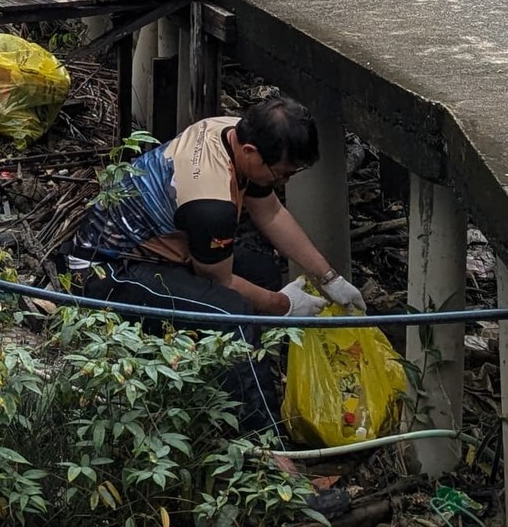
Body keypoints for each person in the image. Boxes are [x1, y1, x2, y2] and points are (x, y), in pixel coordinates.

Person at [65, 95, 363, 426]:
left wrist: (329, 278)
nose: (284, 181)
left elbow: (272, 212)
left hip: (166, 248)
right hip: (109, 271)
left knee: (263, 273)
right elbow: (221, 281)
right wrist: (285, 306)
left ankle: (252, 380)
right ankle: (260, 439)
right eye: (281, 174)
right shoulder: (212, 202)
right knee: (232, 314)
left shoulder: (229, 131)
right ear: (251, 153)